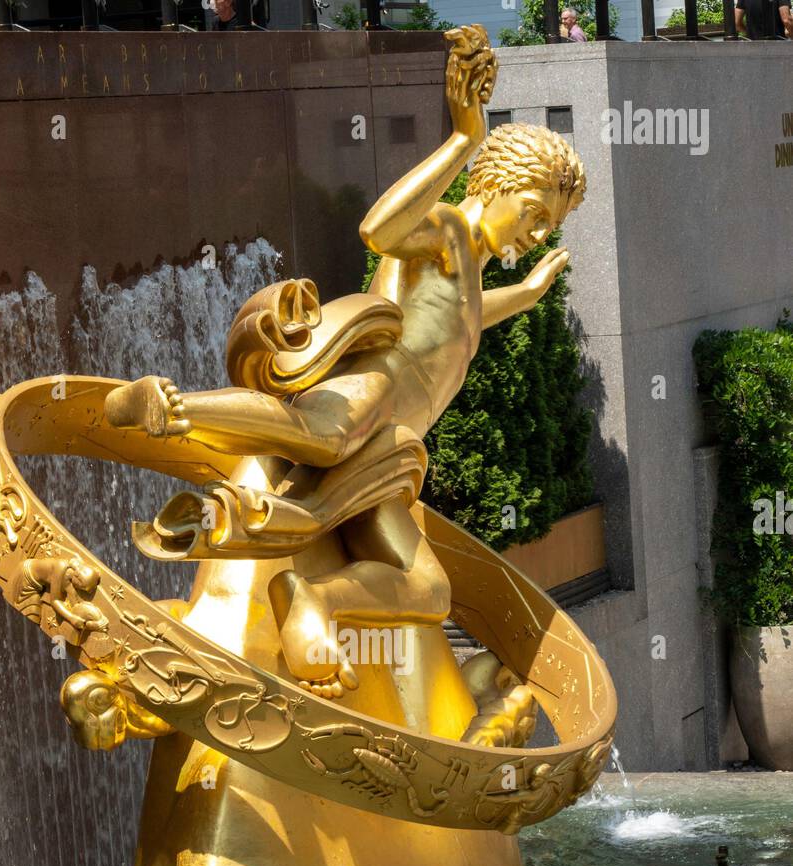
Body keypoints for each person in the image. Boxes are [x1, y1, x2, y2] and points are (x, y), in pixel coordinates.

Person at [105, 26, 585, 695]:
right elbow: (378, 229)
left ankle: (315, 599)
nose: (533, 237)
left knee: (428, 589)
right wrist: (462, 140)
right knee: (317, 433)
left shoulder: (471, 270)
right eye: (533, 215)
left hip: (392, 448)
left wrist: (526, 295)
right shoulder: (444, 232)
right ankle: (170, 408)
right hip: (374, 392)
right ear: (496, 185)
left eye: (545, 231)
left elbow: (462, 324)